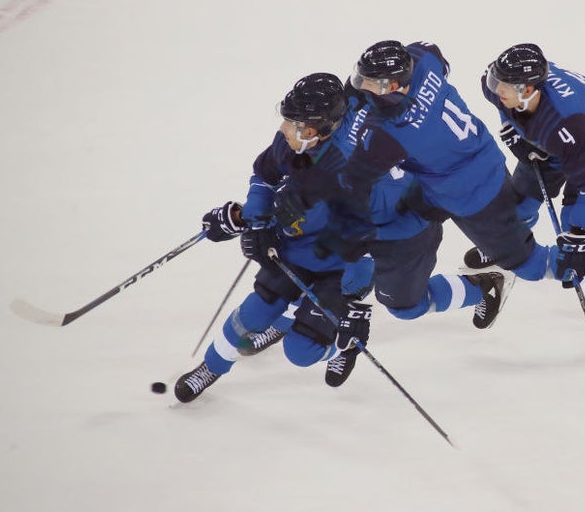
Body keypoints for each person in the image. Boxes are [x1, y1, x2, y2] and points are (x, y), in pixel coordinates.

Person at [292, 40, 553, 328]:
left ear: (392, 87)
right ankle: (483, 275)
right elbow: (436, 55)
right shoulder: (422, 61)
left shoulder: (394, 130)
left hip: (474, 190)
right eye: (361, 77)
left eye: (370, 83)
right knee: (400, 286)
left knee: (527, 263)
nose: (361, 86)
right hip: (442, 179)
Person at [175, 73, 402, 402]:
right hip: (296, 249)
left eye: (294, 124)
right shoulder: (293, 142)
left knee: (302, 351)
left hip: (340, 268)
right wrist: (254, 221)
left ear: (318, 131)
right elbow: (265, 177)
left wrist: (350, 299)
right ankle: (211, 366)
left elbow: (379, 240)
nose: (283, 129)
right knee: (250, 316)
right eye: (286, 119)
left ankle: (342, 346)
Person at [463, 43, 585, 355]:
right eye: (498, 84)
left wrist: (577, 235)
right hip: (550, 141)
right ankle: (509, 250)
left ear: (529, 88)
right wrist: (511, 130)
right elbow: (493, 90)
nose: (498, 92)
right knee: (517, 207)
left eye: (504, 88)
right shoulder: (501, 86)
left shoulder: (568, 120)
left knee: (579, 232)